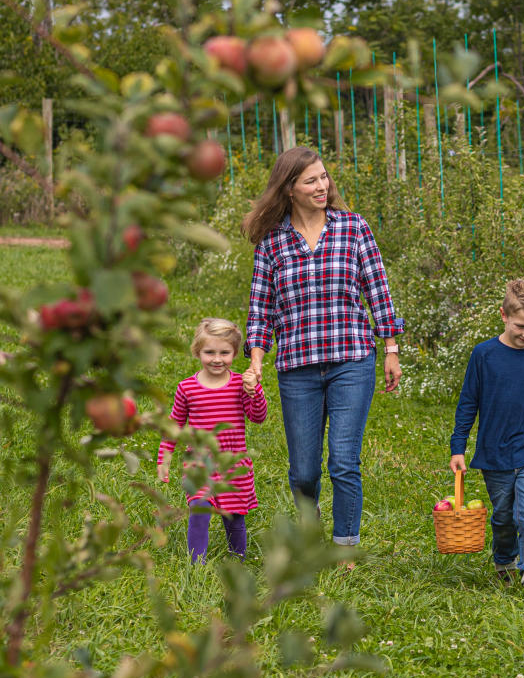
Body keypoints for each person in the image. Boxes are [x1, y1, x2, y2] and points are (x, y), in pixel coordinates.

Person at [243, 146, 403, 550]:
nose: (321, 185)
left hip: (352, 360)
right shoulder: (272, 242)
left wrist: (391, 349)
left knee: (344, 462)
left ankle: (346, 546)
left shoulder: (353, 227)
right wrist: (256, 362)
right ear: (289, 188)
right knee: (303, 472)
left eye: (324, 177)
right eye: (310, 180)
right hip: (297, 367)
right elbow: (260, 309)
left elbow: (377, 290)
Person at [449, 280, 524, 593]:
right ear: (503, 315)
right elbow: (468, 404)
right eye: (522, 326)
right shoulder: (484, 355)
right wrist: (457, 447)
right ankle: (505, 560)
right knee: (503, 516)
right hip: (494, 453)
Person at [158, 318, 268, 562]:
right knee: (199, 510)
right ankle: (197, 564)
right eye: (209, 352)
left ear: (235, 353)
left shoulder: (240, 384)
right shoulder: (187, 388)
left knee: (234, 516)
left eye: (224, 353)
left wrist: (255, 390)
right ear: (198, 352)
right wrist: (164, 458)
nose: (217, 359)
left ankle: (237, 559)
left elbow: (257, 416)